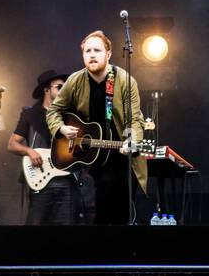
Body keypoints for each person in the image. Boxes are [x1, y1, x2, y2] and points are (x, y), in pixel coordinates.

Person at [46, 30, 147, 224]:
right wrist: (62, 129)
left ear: (108, 54)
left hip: (123, 158)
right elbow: (53, 110)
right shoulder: (75, 80)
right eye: (87, 51)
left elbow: (135, 118)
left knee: (122, 215)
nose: (92, 55)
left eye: (97, 50)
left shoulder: (125, 80)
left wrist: (132, 140)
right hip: (95, 159)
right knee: (101, 215)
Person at [8, 69, 84, 224]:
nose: (64, 90)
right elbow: (12, 144)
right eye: (59, 87)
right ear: (46, 90)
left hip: (67, 180)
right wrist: (29, 151)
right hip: (41, 179)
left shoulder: (71, 115)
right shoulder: (31, 115)